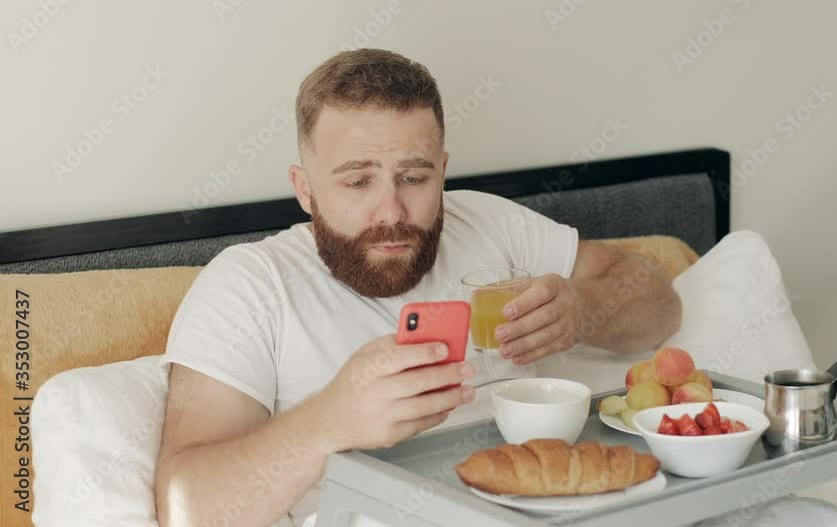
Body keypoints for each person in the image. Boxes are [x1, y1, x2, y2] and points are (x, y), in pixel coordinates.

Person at [153, 48, 682, 527]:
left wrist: (582, 309)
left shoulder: (489, 224)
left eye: (414, 178)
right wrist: (329, 422)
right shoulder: (251, 285)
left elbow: (662, 307)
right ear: (305, 189)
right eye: (358, 181)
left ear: (443, 172)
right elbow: (188, 508)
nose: (392, 212)